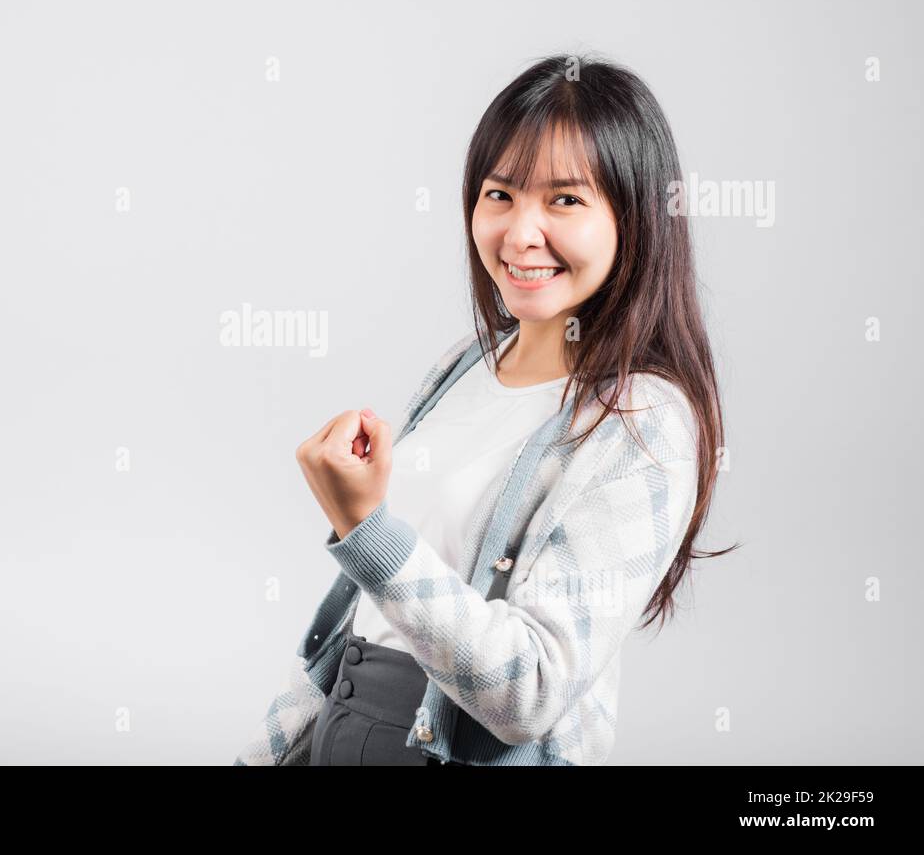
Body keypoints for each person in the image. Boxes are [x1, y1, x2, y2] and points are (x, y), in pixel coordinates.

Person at [234, 53, 732, 766]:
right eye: (500, 194)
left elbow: (529, 690)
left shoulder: (645, 422)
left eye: (565, 199)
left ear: (637, 216)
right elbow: (357, 621)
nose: (520, 232)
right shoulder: (465, 363)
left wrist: (365, 527)